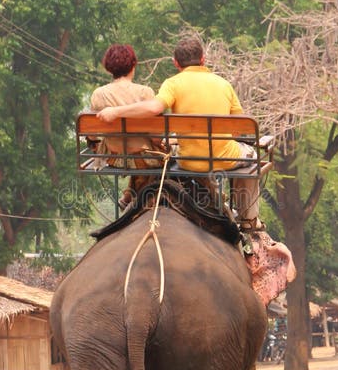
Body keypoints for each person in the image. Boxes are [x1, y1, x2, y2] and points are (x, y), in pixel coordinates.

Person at [96, 32, 264, 231]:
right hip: (223, 158)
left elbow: (153, 108)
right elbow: (238, 127)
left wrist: (115, 112)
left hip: (188, 160)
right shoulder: (224, 84)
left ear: (176, 63)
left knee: (171, 151)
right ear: (203, 60)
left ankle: (135, 198)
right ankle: (249, 222)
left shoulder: (172, 84)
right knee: (253, 159)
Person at [89, 43, 161, 209]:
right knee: (165, 158)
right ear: (133, 65)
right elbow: (156, 137)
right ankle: (133, 194)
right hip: (144, 158)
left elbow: (92, 134)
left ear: (108, 68)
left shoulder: (99, 94)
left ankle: (129, 194)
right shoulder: (145, 92)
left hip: (115, 157)